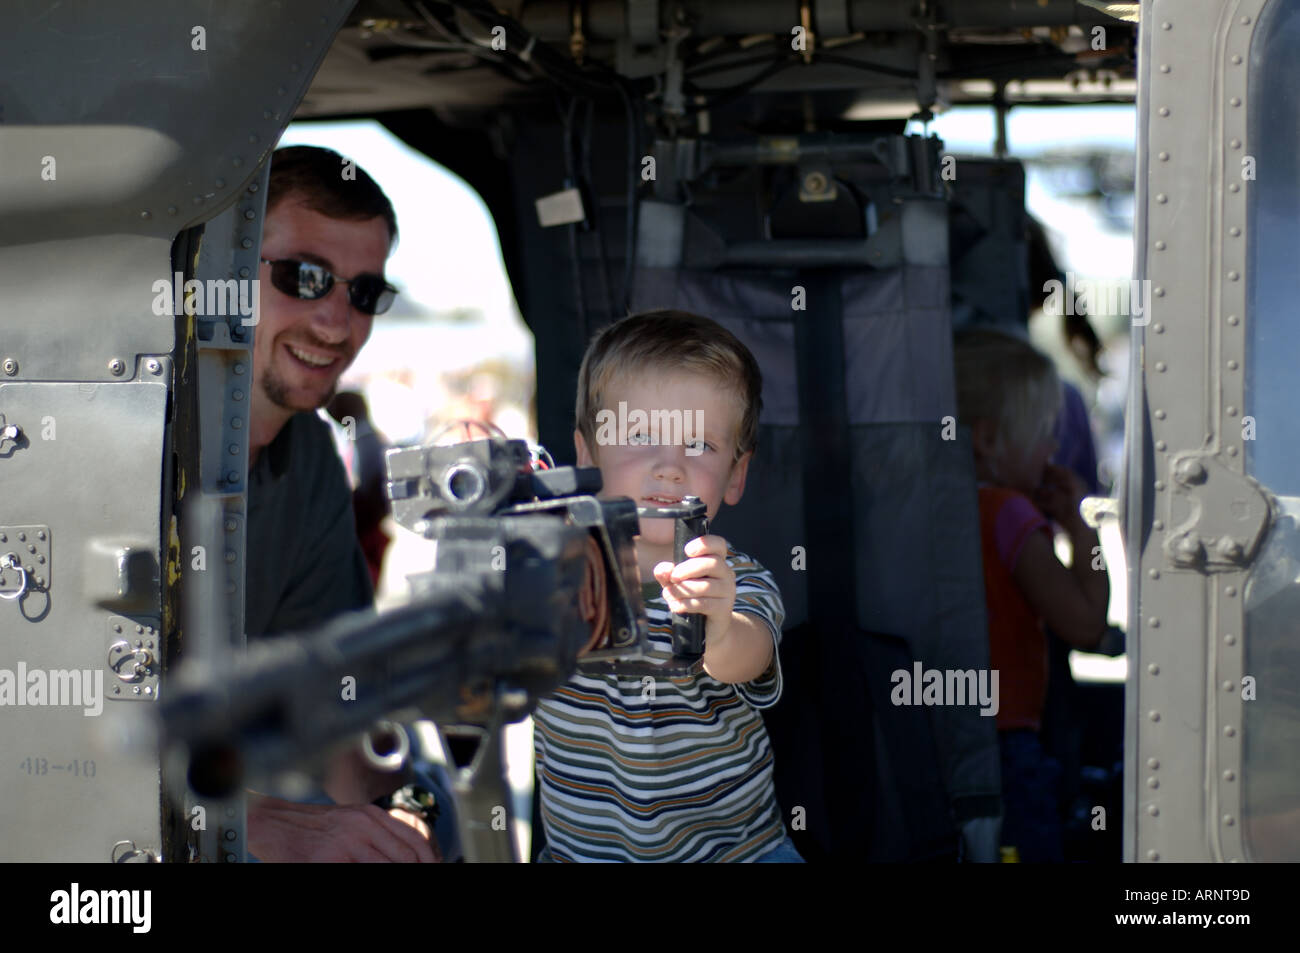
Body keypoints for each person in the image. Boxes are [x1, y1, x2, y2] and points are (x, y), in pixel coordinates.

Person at [532, 309, 798, 862]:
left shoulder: (733, 578)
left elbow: (747, 654)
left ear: (736, 476)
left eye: (699, 445)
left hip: (736, 853)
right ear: (586, 454)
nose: (669, 466)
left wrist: (718, 631)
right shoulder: (551, 573)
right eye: (639, 435)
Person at [240, 145, 441, 862]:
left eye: (362, 293)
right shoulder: (125, 449)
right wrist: (273, 825)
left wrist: (402, 810)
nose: (336, 323)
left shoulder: (312, 461)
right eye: (304, 277)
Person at [952, 328, 1109, 862]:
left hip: (945, 728)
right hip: (1009, 741)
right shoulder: (1008, 513)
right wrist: (1083, 530)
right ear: (989, 440)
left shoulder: (934, 507)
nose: (1053, 449)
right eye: (1044, 432)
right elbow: (1085, 624)